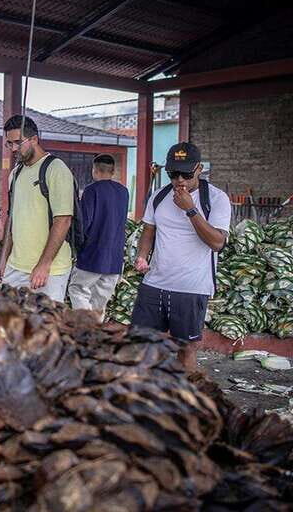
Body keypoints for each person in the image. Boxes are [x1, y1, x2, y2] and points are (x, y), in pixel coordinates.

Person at [132, 142, 230, 370]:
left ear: (199, 169)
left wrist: (190, 209)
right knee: (139, 345)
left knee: (185, 350)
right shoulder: (159, 196)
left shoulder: (216, 199)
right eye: (173, 174)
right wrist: (142, 255)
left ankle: (186, 401)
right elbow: (149, 229)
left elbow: (217, 242)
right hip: (154, 283)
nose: (179, 180)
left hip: (191, 287)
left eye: (185, 173)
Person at [0, 115, 75, 302]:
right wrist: (3, 259)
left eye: (18, 142)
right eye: (9, 144)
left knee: (44, 328)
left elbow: (63, 220)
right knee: (10, 324)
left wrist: (44, 264)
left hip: (50, 271)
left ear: (34, 139)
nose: (13, 149)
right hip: (15, 267)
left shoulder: (56, 169)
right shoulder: (15, 173)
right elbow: (11, 219)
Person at [67, 154, 129, 318]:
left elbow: (83, 223)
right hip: (115, 259)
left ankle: (86, 328)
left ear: (94, 170)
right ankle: (94, 334)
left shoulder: (91, 190)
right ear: (113, 171)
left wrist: (77, 248)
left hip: (92, 255)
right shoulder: (124, 192)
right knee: (98, 303)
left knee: (77, 289)